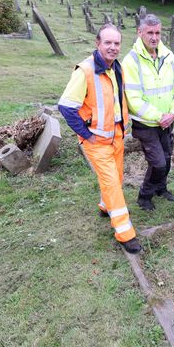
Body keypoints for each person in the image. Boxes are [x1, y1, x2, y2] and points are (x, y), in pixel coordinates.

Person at [58, 24, 142, 253]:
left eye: (116, 43)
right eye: (108, 43)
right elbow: (65, 106)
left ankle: (106, 206)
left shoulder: (117, 67)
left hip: (116, 137)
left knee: (117, 177)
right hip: (97, 142)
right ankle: (125, 233)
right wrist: (86, 135)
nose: (113, 47)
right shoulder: (85, 71)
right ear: (98, 43)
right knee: (112, 183)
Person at [121, 14, 174, 211]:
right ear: (139, 32)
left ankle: (161, 189)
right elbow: (133, 99)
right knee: (157, 163)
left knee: (166, 160)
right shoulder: (131, 61)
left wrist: (173, 113)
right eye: (150, 32)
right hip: (146, 124)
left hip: (167, 121)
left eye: (157, 32)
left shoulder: (168, 56)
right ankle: (144, 196)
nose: (154, 37)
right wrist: (160, 117)